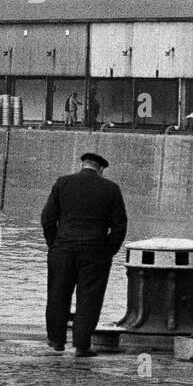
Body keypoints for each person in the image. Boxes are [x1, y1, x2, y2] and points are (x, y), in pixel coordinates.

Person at [40, 152, 127, 357]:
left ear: (82, 165)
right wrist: (107, 251)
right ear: (101, 169)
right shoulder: (111, 189)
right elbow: (119, 226)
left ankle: (56, 341)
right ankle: (82, 345)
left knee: (58, 294)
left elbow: (47, 218)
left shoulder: (62, 183)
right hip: (95, 252)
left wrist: (54, 244)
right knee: (89, 298)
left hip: (63, 249)